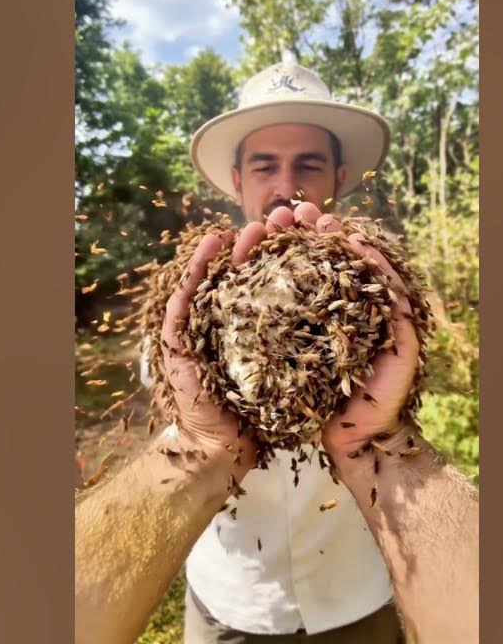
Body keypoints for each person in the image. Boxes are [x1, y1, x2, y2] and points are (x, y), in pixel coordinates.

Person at [75, 58, 479, 644]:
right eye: (265, 165)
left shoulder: (381, 292)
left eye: (308, 164)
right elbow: (172, 414)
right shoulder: (185, 300)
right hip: (234, 600)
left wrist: (381, 444)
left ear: (339, 176)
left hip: (356, 592)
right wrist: (205, 445)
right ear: (236, 180)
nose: (287, 185)